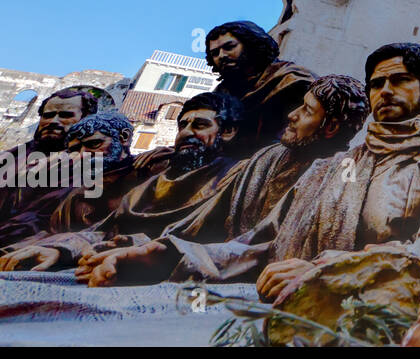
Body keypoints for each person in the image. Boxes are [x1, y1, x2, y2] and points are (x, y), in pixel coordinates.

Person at [98, 43, 420, 301]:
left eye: (399, 80)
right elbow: (263, 241)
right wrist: (165, 257)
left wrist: (336, 270)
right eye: (376, 84)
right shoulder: (333, 167)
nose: (385, 91)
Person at [79, 75, 370, 287]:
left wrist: (171, 257)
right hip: (212, 266)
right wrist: (137, 246)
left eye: (306, 110)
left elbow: (272, 246)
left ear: (330, 126)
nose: (292, 116)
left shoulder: (341, 175)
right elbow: (197, 223)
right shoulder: (267, 158)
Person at [0, 93, 244, 272]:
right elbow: (107, 230)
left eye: (94, 145)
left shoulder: (154, 170)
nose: (83, 154)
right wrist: (59, 248)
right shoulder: (75, 184)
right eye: (182, 126)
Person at [0, 88, 104, 245]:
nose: (53, 121)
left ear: (86, 119)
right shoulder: (11, 156)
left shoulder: (86, 166)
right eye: (47, 115)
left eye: (66, 115)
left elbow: (40, 218)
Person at [203, 20, 316, 157]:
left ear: (252, 44)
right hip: (226, 164)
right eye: (215, 53)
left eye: (229, 47)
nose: (221, 56)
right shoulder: (220, 94)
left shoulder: (293, 80)